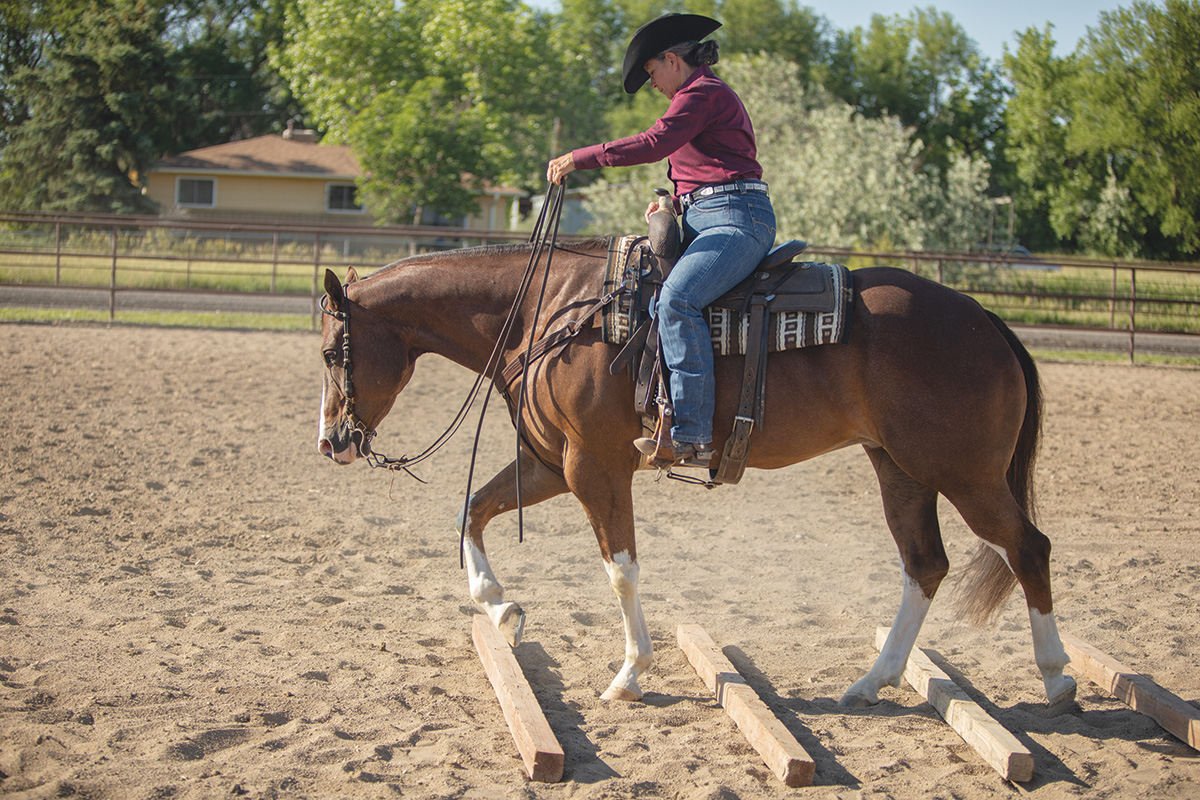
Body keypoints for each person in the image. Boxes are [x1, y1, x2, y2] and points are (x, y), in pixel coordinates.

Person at [547, 12, 776, 467]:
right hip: (710, 214)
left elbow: (654, 143)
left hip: (737, 220)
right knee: (641, 290)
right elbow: (708, 167)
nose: (653, 84)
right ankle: (653, 408)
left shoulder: (703, 94)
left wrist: (580, 157)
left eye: (652, 72)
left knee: (678, 300)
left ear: (672, 60)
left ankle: (690, 435)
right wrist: (674, 202)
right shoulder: (699, 98)